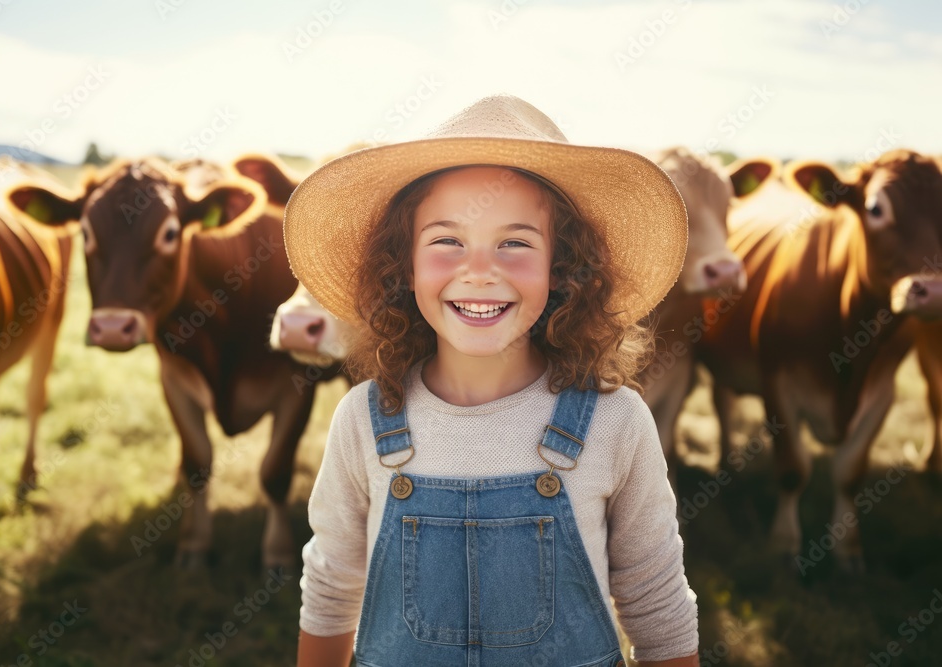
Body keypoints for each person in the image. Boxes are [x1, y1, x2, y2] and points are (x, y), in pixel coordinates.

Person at [286, 95, 700, 667]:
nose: (479, 270)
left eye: (515, 242)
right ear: (403, 265)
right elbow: (332, 585)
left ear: (563, 267)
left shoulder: (616, 422)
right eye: (447, 241)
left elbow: (656, 601)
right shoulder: (363, 418)